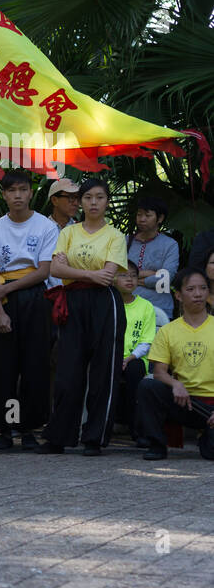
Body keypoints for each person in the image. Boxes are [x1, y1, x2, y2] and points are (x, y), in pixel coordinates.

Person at [38, 176, 128, 456]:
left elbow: (108, 276)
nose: (93, 203)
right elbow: (55, 269)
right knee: (68, 371)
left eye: (99, 197)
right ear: (80, 202)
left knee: (103, 372)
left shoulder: (115, 235)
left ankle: (94, 437)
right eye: (87, 198)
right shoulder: (68, 232)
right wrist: (89, 272)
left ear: (107, 202)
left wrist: (73, 268)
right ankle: (59, 436)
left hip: (105, 304)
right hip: (73, 302)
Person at [0, 170, 59, 451]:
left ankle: (28, 429)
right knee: (4, 368)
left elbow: (44, 271)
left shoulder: (46, 227)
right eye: (11, 191)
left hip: (35, 298)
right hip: (3, 298)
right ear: (3, 195)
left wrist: (6, 290)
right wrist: (0, 310)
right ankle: (4, 430)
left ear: (30, 192)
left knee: (34, 366)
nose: (17, 196)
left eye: (22, 190)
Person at [136, 268, 214, 460]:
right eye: (191, 289)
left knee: (211, 453)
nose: (198, 294)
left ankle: (206, 437)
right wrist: (175, 384)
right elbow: (159, 372)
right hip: (185, 400)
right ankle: (156, 445)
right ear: (178, 295)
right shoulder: (168, 331)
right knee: (148, 386)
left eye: (203, 288)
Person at [116, 261, 160, 444]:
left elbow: (147, 341)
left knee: (134, 371)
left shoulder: (146, 306)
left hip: (135, 358)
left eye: (133, 275)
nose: (130, 280)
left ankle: (138, 429)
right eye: (124, 275)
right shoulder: (108, 303)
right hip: (110, 356)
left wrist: (129, 357)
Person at [127, 195, 179, 320]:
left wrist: (135, 279)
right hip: (127, 307)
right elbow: (116, 274)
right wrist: (151, 273)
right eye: (139, 215)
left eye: (147, 215)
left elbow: (165, 278)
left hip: (159, 309)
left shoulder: (170, 244)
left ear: (160, 218)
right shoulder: (125, 241)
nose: (142, 219)